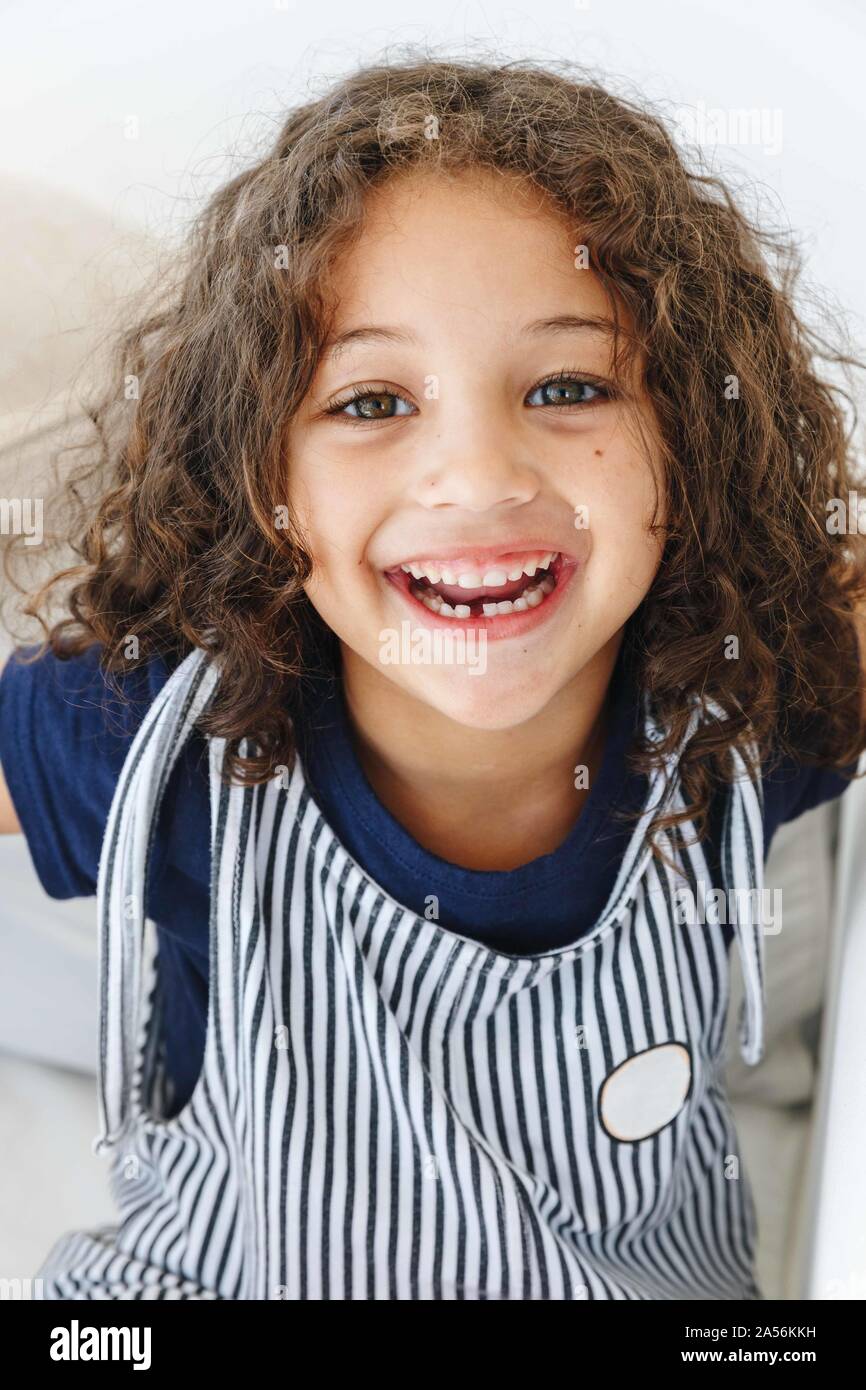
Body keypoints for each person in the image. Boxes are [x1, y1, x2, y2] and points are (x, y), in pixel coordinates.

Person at [1, 54, 865, 1300]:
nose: (475, 474)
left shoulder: (746, 690)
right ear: (262, 480)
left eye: (567, 386)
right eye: (369, 401)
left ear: (691, 446)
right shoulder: (159, 732)